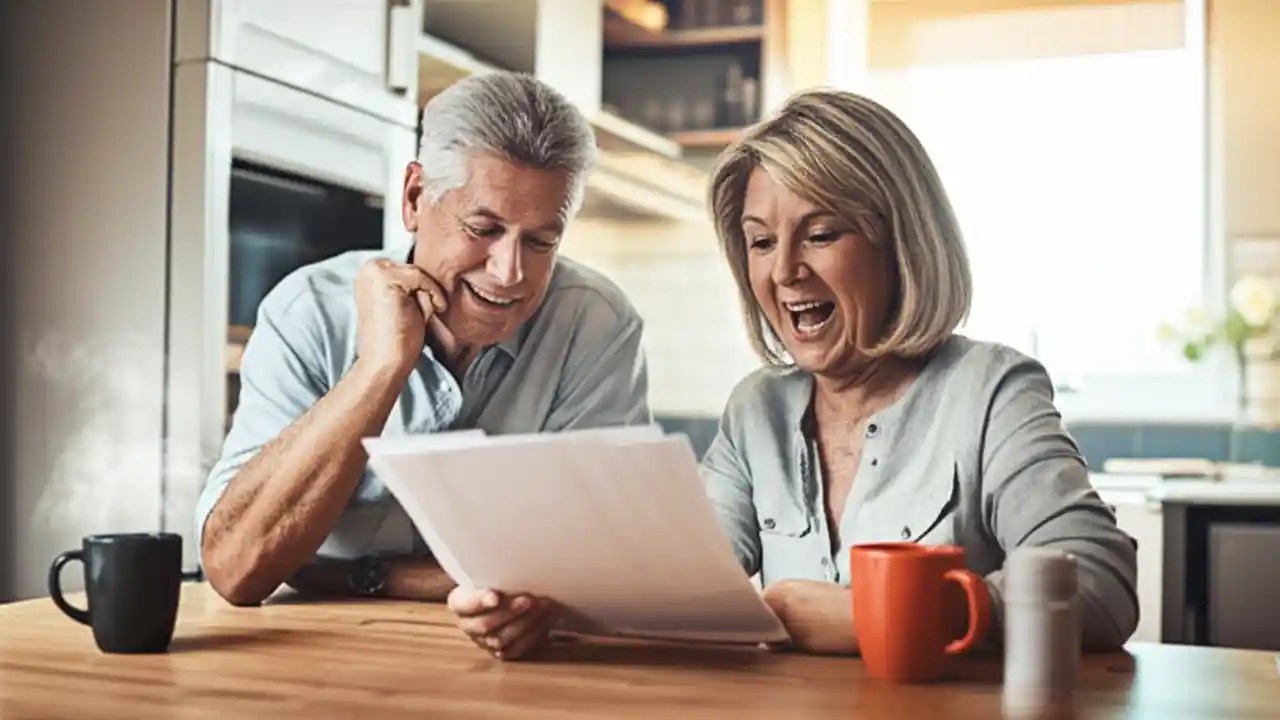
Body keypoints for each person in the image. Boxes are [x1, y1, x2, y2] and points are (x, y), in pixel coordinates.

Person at [196, 72, 650, 660]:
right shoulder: (307, 310)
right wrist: (381, 368)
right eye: (483, 229)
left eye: (540, 242)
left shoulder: (596, 326)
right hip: (310, 665)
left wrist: (354, 575)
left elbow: (596, 568)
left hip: (507, 674)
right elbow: (235, 568)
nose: (509, 271)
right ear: (415, 198)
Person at [700, 89, 1139, 655]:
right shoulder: (754, 409)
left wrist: (884, 616)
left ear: (900, 242)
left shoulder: (989, 391)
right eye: (761, 242)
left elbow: (1098, 582)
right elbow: (685, 583)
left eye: (821, 234)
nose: (784, 270)